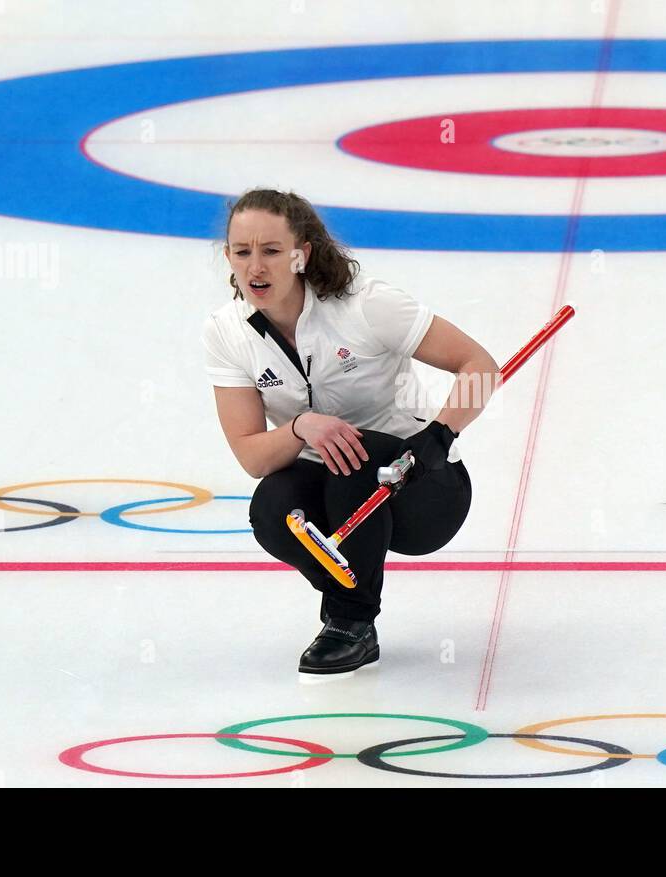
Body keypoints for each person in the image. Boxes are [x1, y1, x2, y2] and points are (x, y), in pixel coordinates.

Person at [201, 189, 499, 680]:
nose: (256, 267)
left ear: (302, 254)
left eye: (272, 251)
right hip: (331, 487)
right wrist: (300, 427)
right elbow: (254, 457)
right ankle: (350, 601)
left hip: (421, 487)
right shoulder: (226, 331)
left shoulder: (367, 306)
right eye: (241, 251)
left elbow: (480, 366)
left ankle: (350, 622)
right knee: (273, 508)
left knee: (353, 453)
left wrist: (440, 437)